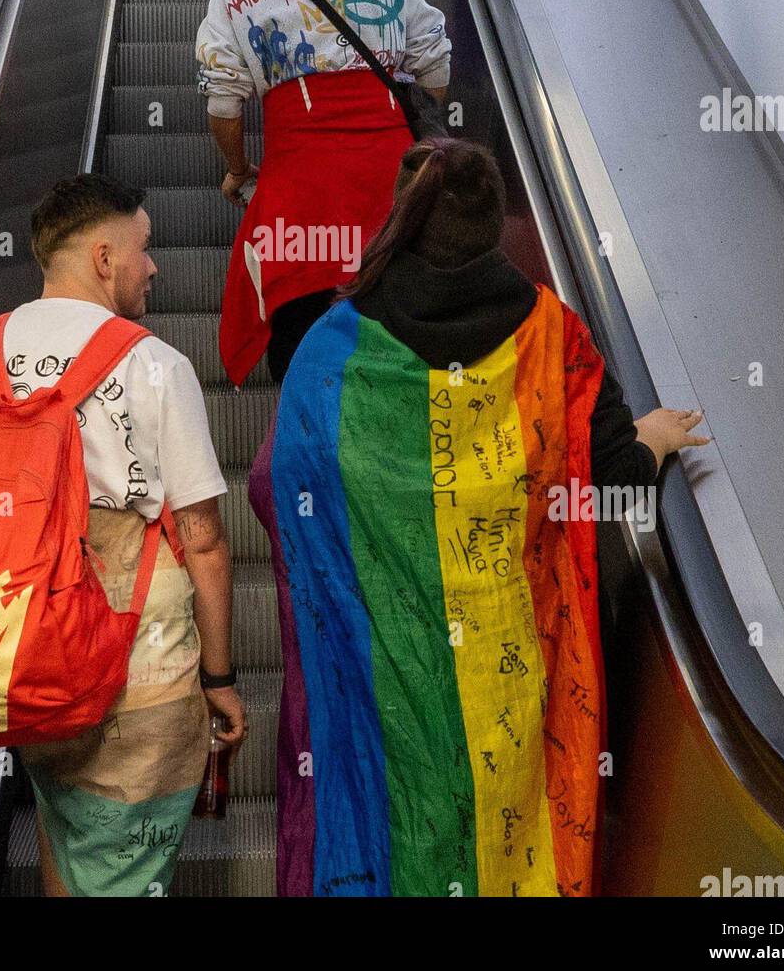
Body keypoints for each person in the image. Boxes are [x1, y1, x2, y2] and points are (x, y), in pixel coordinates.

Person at [249, 137, 711, 896]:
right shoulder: (548, 335)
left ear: (401, 216)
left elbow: (275, 484)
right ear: (498, 225)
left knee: (390, 829)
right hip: (507, 671)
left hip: (379, 669)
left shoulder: (336, 346)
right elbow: (609, 485)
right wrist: (652, 441)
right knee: (501, 841)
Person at [0, 174, 246, 896]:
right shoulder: (155, 366)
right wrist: (219, 678)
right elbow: (205, 543)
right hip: (142, 674)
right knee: (123, 875)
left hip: (29, 660)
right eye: (143, 248)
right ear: (103, 258)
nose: (153, 267)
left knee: (69, 854)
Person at [196, 0, 450, 386]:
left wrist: (239, 169)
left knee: (302, 324)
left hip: (299, 185)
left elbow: (224, 103)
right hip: (391, 177)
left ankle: (308, 434)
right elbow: (434, 65)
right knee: (395, 308)